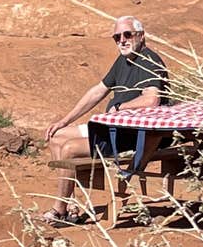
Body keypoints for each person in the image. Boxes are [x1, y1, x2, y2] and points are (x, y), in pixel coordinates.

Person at [42, 17, 170, 220]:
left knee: (69, 149)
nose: (122, 40)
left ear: (141, 35)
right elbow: (97, 91)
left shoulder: (149, 61)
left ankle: (59, 209)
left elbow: (152, 99)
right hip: (109, 128)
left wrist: (120, 107)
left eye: (127, 34)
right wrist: (64, 121)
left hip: (129, 135)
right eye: (117, 37)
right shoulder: (123, 60)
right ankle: (72, 208)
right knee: (56, 136)